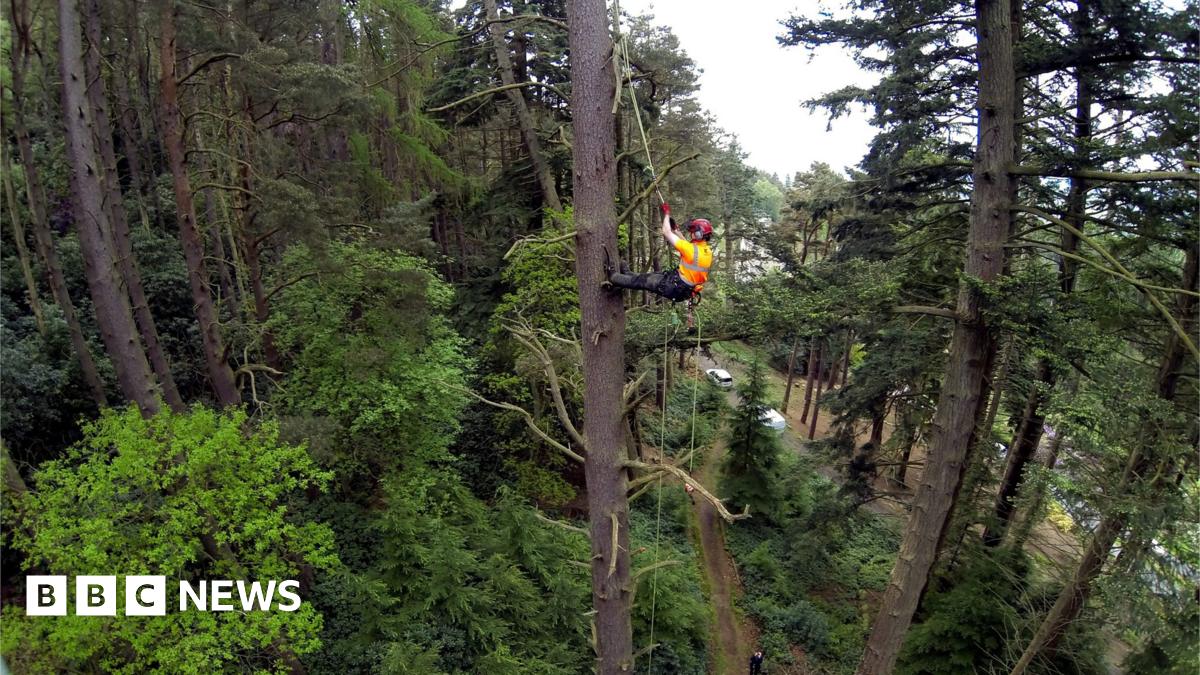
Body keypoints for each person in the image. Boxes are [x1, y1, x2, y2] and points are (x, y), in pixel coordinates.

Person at [606, 202, 713, 304]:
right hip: (683, 289)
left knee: (643, 281)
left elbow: (666, 232)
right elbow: (688, 247)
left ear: (698, 234)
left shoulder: (690, 249)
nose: (691, 233)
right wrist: (676, 231)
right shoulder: (707, 252)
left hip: (674, 287)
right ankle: (629, 275)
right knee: (652, 275)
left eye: (693, 232)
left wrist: (666, 214)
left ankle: (614, 277)